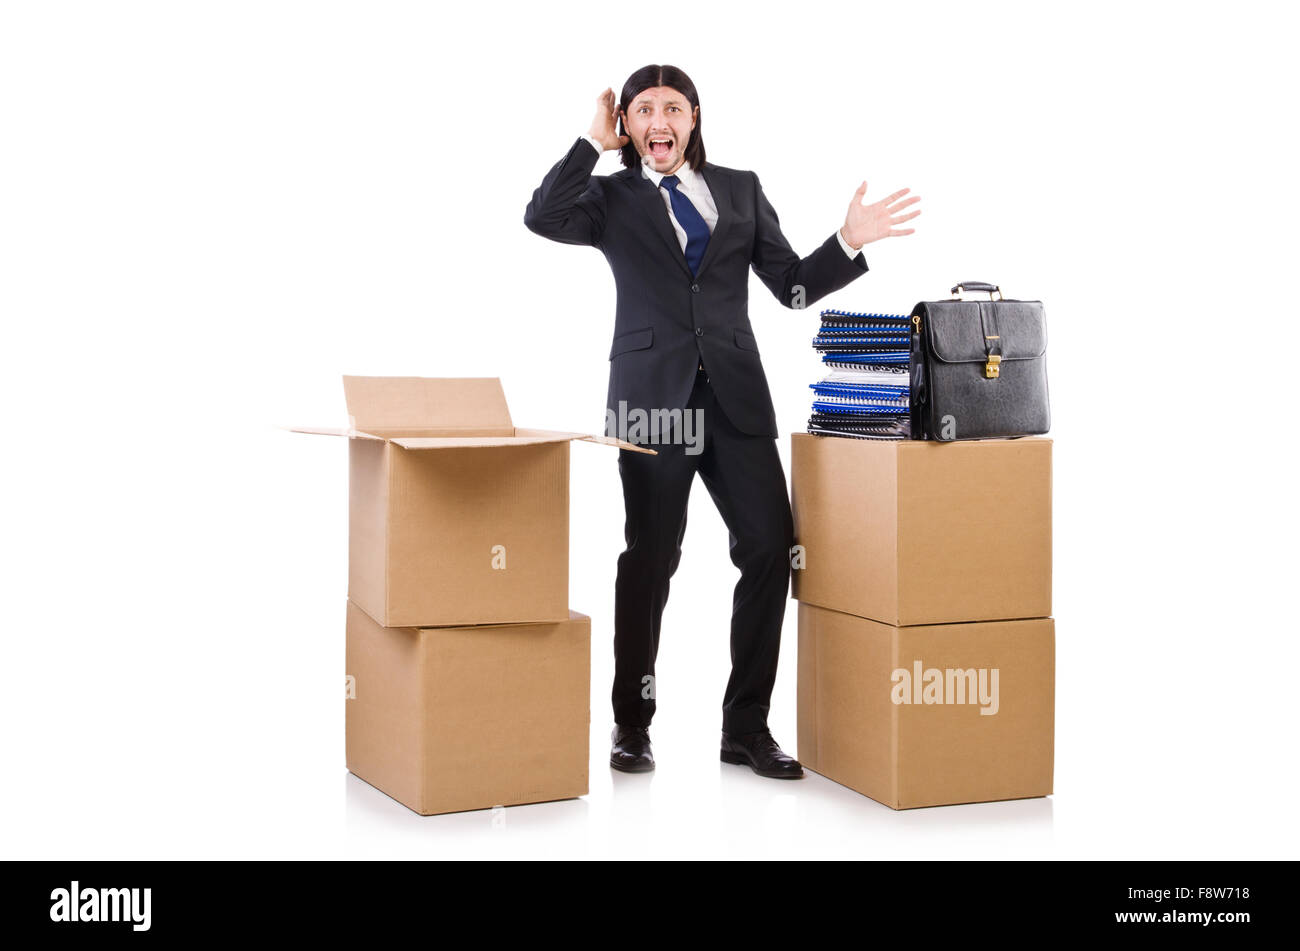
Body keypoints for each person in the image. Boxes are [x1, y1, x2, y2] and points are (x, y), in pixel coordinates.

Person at [524, 64, 919, 779]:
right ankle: (632, 723)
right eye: (642, 110)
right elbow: (541, 215)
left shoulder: (738, 188)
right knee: (652, 558)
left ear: (694, 117)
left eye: (671, 108)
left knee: (771, 546)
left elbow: (793, 286)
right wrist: (589, 142)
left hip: (733, 397)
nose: (657, 121)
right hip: (653, 401)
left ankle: (745, 728)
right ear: (629, 127)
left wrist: (849, 240)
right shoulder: (608, 198)